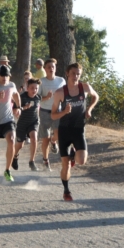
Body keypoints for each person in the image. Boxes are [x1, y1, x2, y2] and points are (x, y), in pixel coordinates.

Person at [50, 63, 99, 201]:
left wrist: (89, 109)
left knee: (82, 161)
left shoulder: (85, 87)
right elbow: (53, 115)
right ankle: (66, 191)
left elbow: (96, 96)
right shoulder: (60, 92)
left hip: (78, 130)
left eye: (78, 74)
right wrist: (64, 112)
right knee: (65, 166)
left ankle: (73, 155)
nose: (76, 76)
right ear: (67, 74)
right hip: (64, 131)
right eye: (73, 73)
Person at [38, 58, 66, 171]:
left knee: (58, 135)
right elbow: (37, 98)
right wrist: (47, 97)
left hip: (58, 111)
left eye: (53, 66)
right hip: (44, 112)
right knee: (45, 139)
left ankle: (54, 142)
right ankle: (45, 161)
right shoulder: (41, 81)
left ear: (55, 68)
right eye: (48, 67)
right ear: (45, 69)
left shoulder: (61, 81)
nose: (51, 68)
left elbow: (66, 94)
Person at [14, 78, 41, 171]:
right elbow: (14, 110)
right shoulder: (21, 97)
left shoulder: (38, 97)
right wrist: (24, 107)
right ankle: (15, 156)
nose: (34, 90)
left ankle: (32, 161)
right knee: (20, 144)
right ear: (27, 88)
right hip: (22, 124)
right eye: (32, 88)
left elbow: (41, 104)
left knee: (34, 138)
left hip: (33, 122)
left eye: (36, 88)